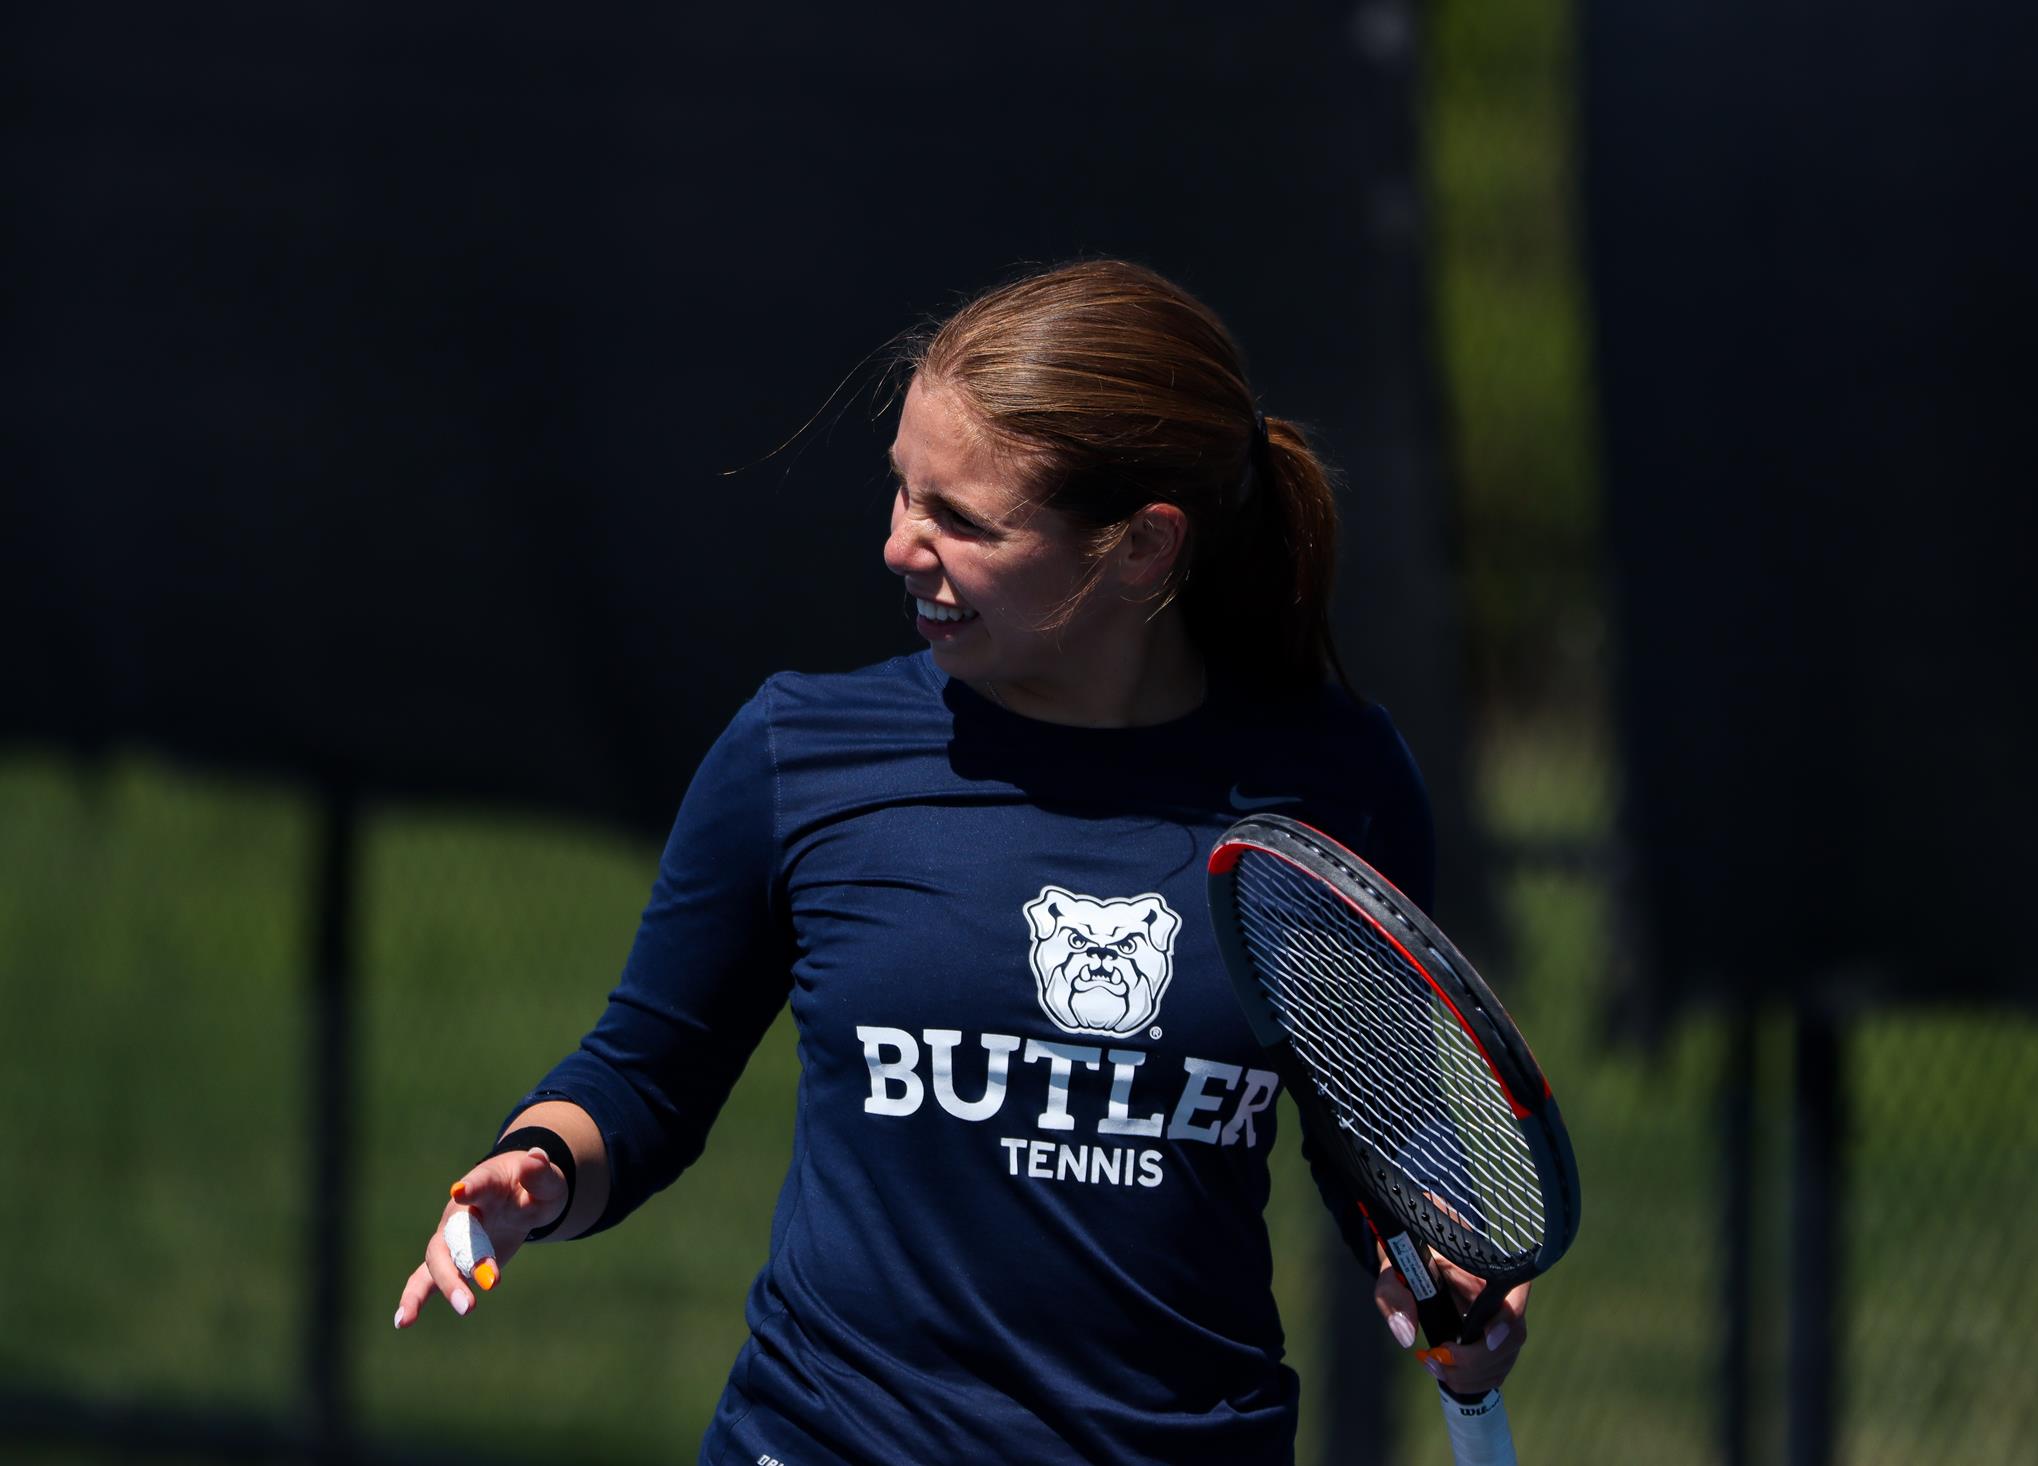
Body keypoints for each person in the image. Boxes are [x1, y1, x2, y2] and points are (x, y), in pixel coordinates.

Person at [393, 259, 1530, 1463]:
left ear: (1143, 546)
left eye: (962, 520)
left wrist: (1445, 1251)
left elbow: (1386, 1127)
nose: (897, 545)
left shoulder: (1333, 786)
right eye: (901, 491)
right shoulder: (796, 752)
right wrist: (539, 1168)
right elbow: (646, 1076)